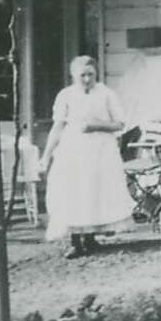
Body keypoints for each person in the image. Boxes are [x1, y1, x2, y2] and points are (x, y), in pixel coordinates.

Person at [40, 55, 134, 258]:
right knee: (73, 191)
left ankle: (90, 238)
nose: (86, 79)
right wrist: (46, 156)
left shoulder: (106, 94)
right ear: (73, 75)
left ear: (96, 74)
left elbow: (120, 123)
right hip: (73, 150)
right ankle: (75, 241)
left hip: (101, 150)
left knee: (95, 192)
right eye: (82, 75)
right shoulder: (66, 95)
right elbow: (57, 127)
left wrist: (96, 125)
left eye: (90, 74)